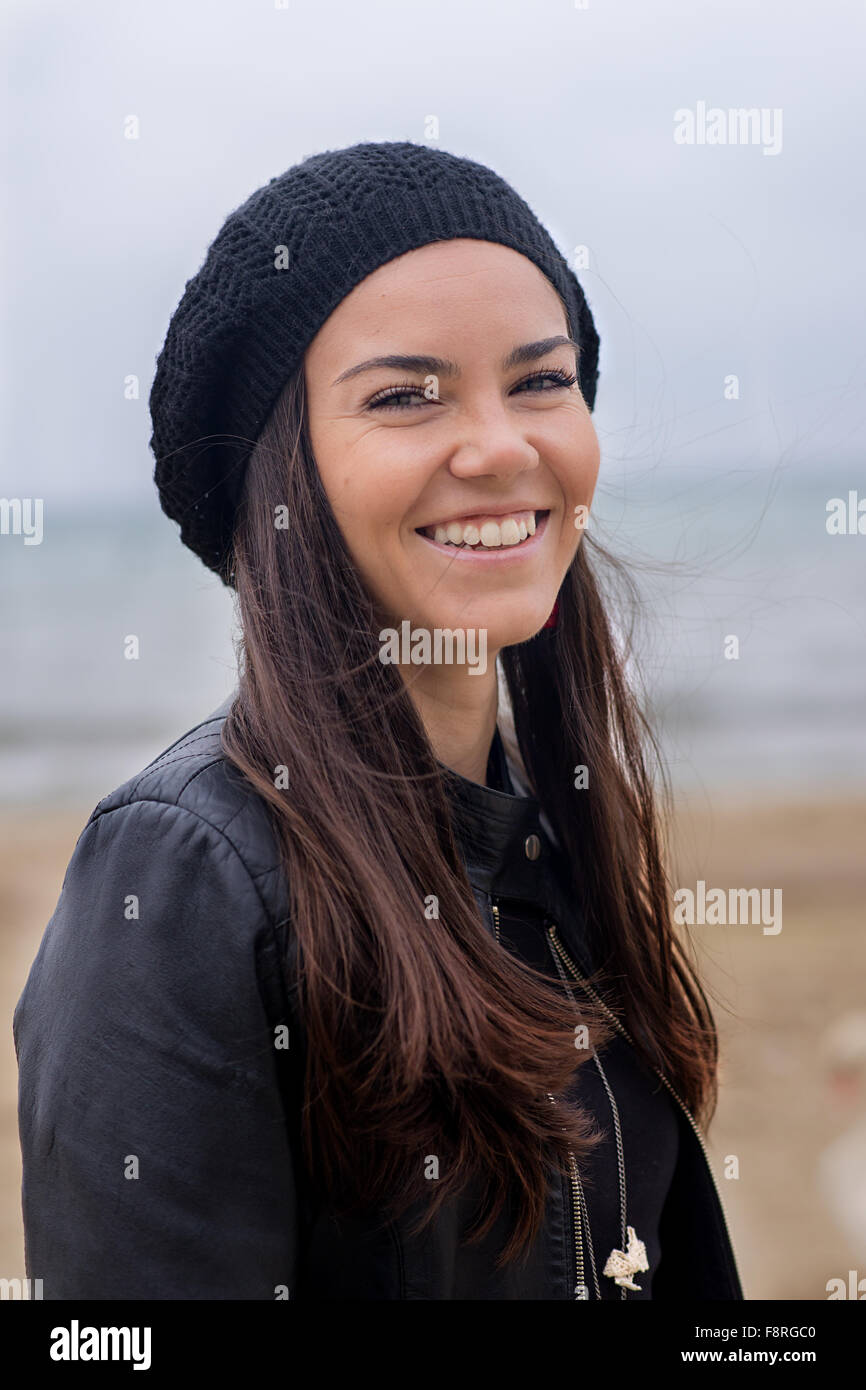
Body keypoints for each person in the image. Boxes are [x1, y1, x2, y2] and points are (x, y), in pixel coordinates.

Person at [13, 140, 743, 1301]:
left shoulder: (550, 834)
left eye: (540, 381)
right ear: (281, 473)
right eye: (406, 396)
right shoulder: (187, 871)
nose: (501, 446)